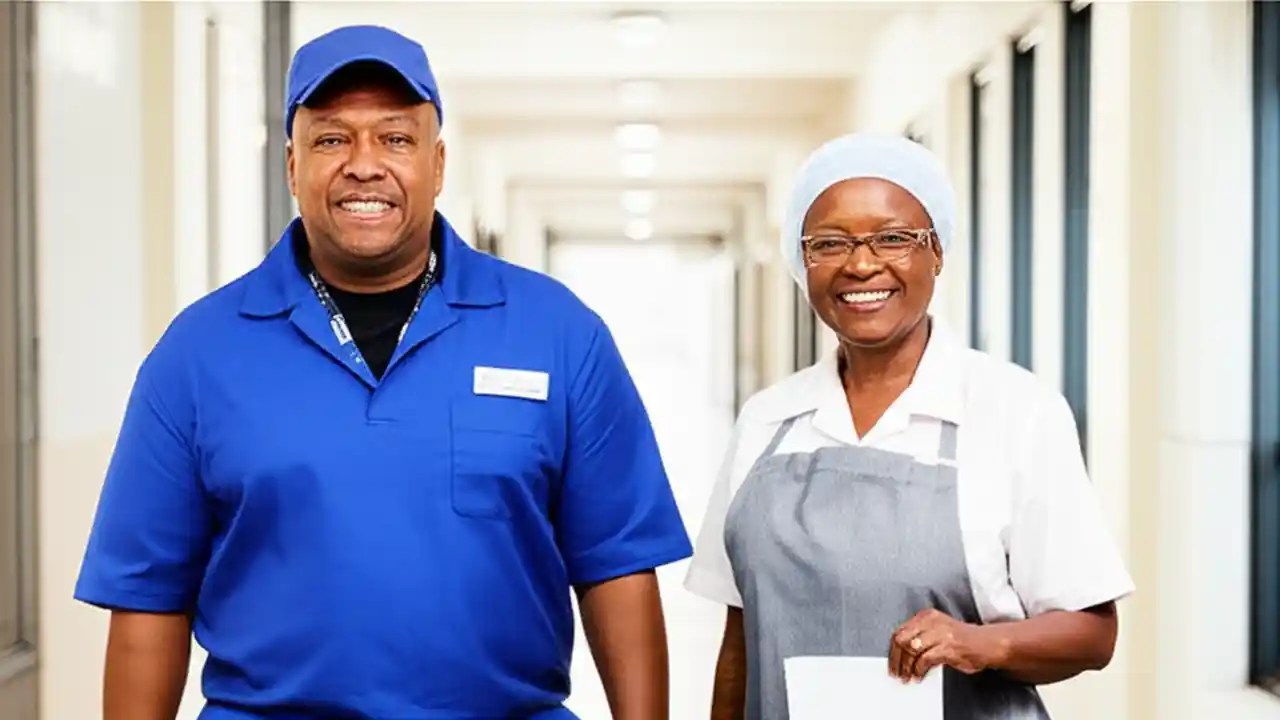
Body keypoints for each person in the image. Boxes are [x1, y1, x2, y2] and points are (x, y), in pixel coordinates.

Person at [75, 25, 692, 720]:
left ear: (437, 162)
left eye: (395, 138)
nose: (364, 164)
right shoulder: (197, 354)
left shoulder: (558, 333)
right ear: (290, 165)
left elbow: (616, 567)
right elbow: (147, 599)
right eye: (332, 138)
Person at [684, 133, 1134, 719]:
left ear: (937, 253)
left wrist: (981, 644)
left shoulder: (1015, 410)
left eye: (894, 238)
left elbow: (1094, 634)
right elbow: (741, 643)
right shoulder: (767, 419)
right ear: (802, 263)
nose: (861, 263)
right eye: (829, 243)